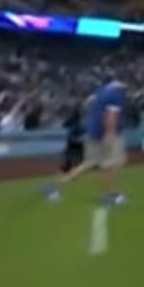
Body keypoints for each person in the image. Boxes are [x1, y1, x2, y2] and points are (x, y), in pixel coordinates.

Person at [43, 71, 127, 206]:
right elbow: (110, 115)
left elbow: (92, 109)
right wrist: (109, 134)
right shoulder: (116, 95)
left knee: (93, 163)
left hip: (94, 133)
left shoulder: (101, 92)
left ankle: (55, 184)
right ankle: (109, 194)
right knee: (112, 163)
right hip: (105, 133)